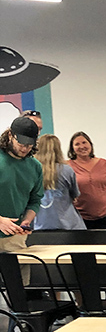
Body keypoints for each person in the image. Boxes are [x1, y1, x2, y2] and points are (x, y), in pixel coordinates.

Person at [0, 116, 43, 282]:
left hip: (15, 240)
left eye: (29, 144)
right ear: (10, 135)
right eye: (21, 143)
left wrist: (26, 222)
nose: (25, 148)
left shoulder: (34, 167)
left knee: (18, 293)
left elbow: (35, 200)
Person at [33, 134, 86, 231]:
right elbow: (75, 196)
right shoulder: (66, 170)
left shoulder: (32, 171)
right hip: (68, 226)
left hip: (40, 226)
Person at [67, 131, 106, 229]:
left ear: (90, 145)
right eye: (77, 144)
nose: (82, 146)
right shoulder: (67, 166)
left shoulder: (104, 164)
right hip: (80, 219)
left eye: (84, 142)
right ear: (72, 149)